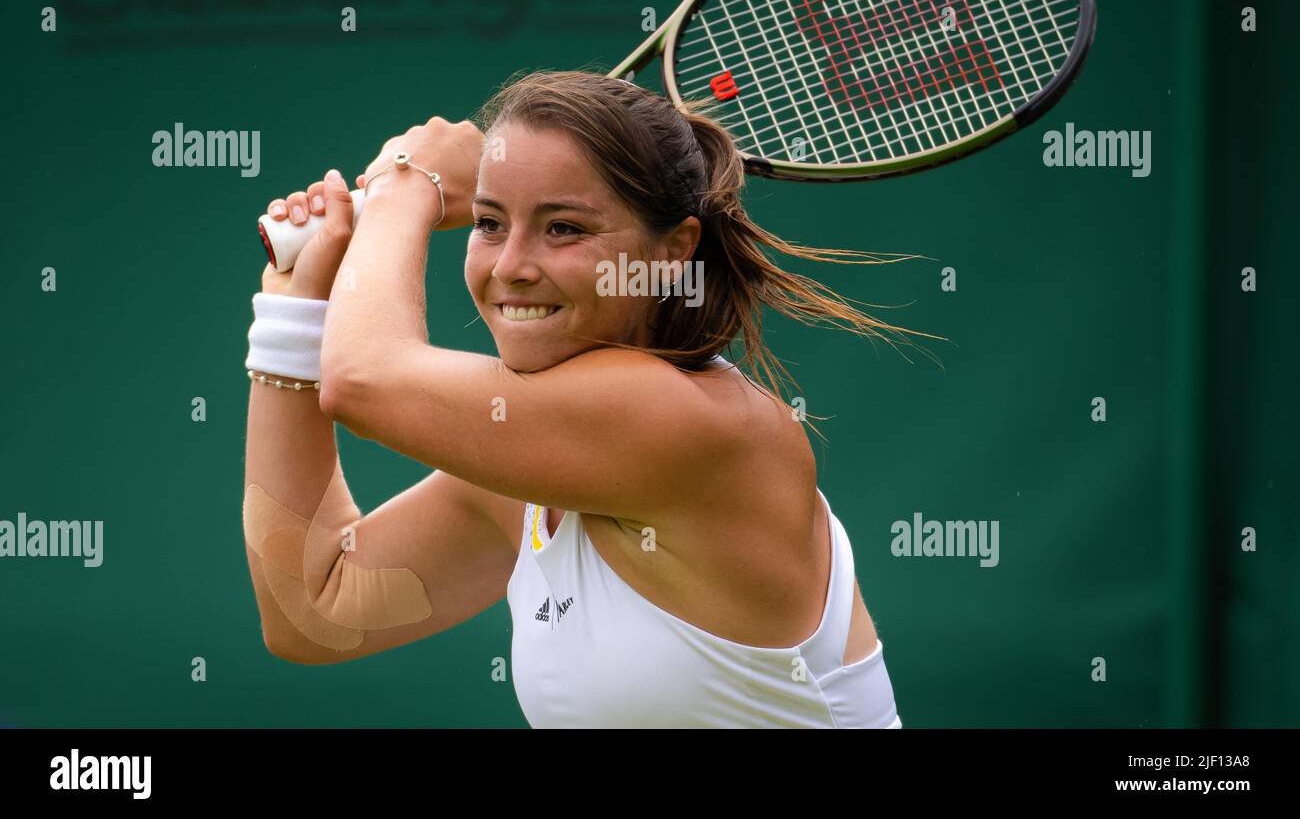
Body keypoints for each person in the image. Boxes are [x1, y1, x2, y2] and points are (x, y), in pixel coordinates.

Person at [242, 70, 935, 727]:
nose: (511, 267)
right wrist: (294, 313)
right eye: (489, 223)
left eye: (563, 228)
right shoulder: (534, 458)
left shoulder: (682, 421)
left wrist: (404, 184)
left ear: (673, 250)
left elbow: (366, 381)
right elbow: (316, 609)